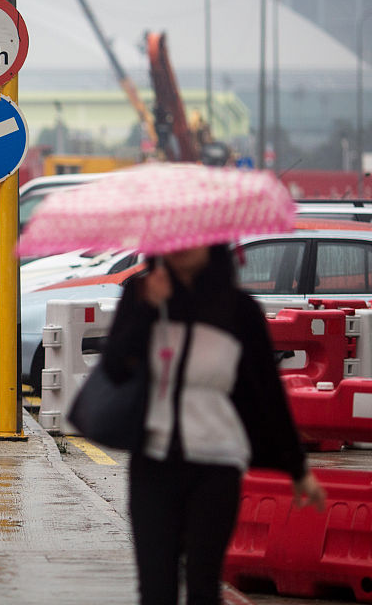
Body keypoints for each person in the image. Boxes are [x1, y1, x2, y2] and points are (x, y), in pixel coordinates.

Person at [101, 243, 326, 605]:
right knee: (156, 589)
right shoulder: (142, 296)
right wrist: (148, 311)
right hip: (152, 464)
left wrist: (298, 468)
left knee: (204, 587)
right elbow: (113, 367)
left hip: (216, 466)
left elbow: (266, 392)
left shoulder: (239, 310)